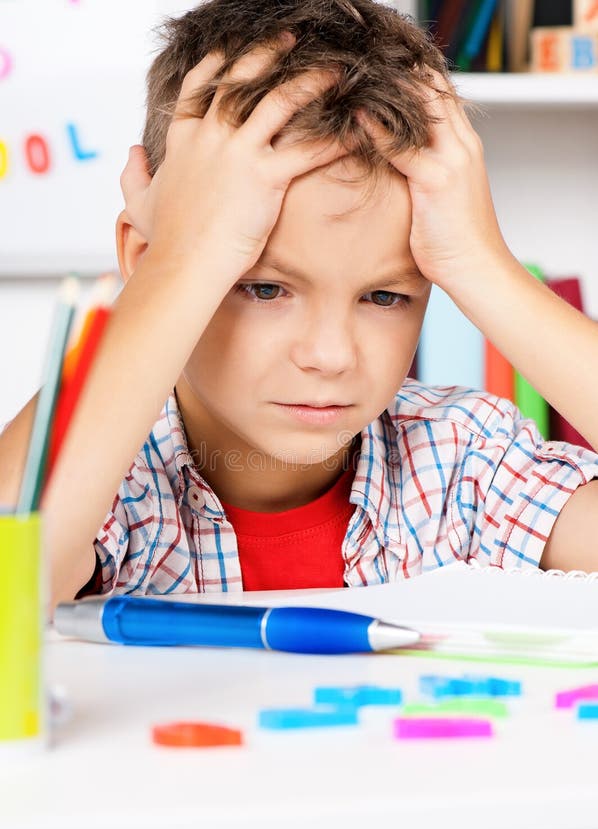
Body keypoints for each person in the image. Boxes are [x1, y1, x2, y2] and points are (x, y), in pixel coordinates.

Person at [2, 0, 598, 615]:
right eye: (264, 288)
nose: (330, 355)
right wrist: (183, 261)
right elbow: (11, 566)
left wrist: (484, 266)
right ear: (148, 260)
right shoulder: (116, 481)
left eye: (385, 296)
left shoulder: (459, 466)